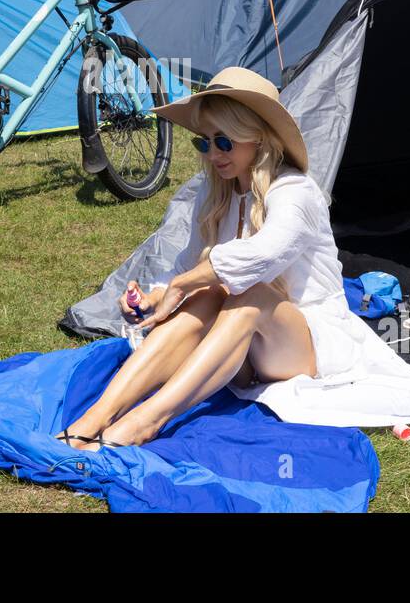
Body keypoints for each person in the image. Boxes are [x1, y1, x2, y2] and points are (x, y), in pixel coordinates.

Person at [56, 67, 374, 451]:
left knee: (248, 296)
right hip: (241, 351)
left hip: (306, 345)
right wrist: (157, 298)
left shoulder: (295, 191)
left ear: (257, 138)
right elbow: (189, 269)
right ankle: (95, 417)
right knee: (206, 295)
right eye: (204, 143)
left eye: (224, 141)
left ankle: (146, 421)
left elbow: (263, 253)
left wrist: (180, 286)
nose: (214, 154)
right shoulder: (217, 195)